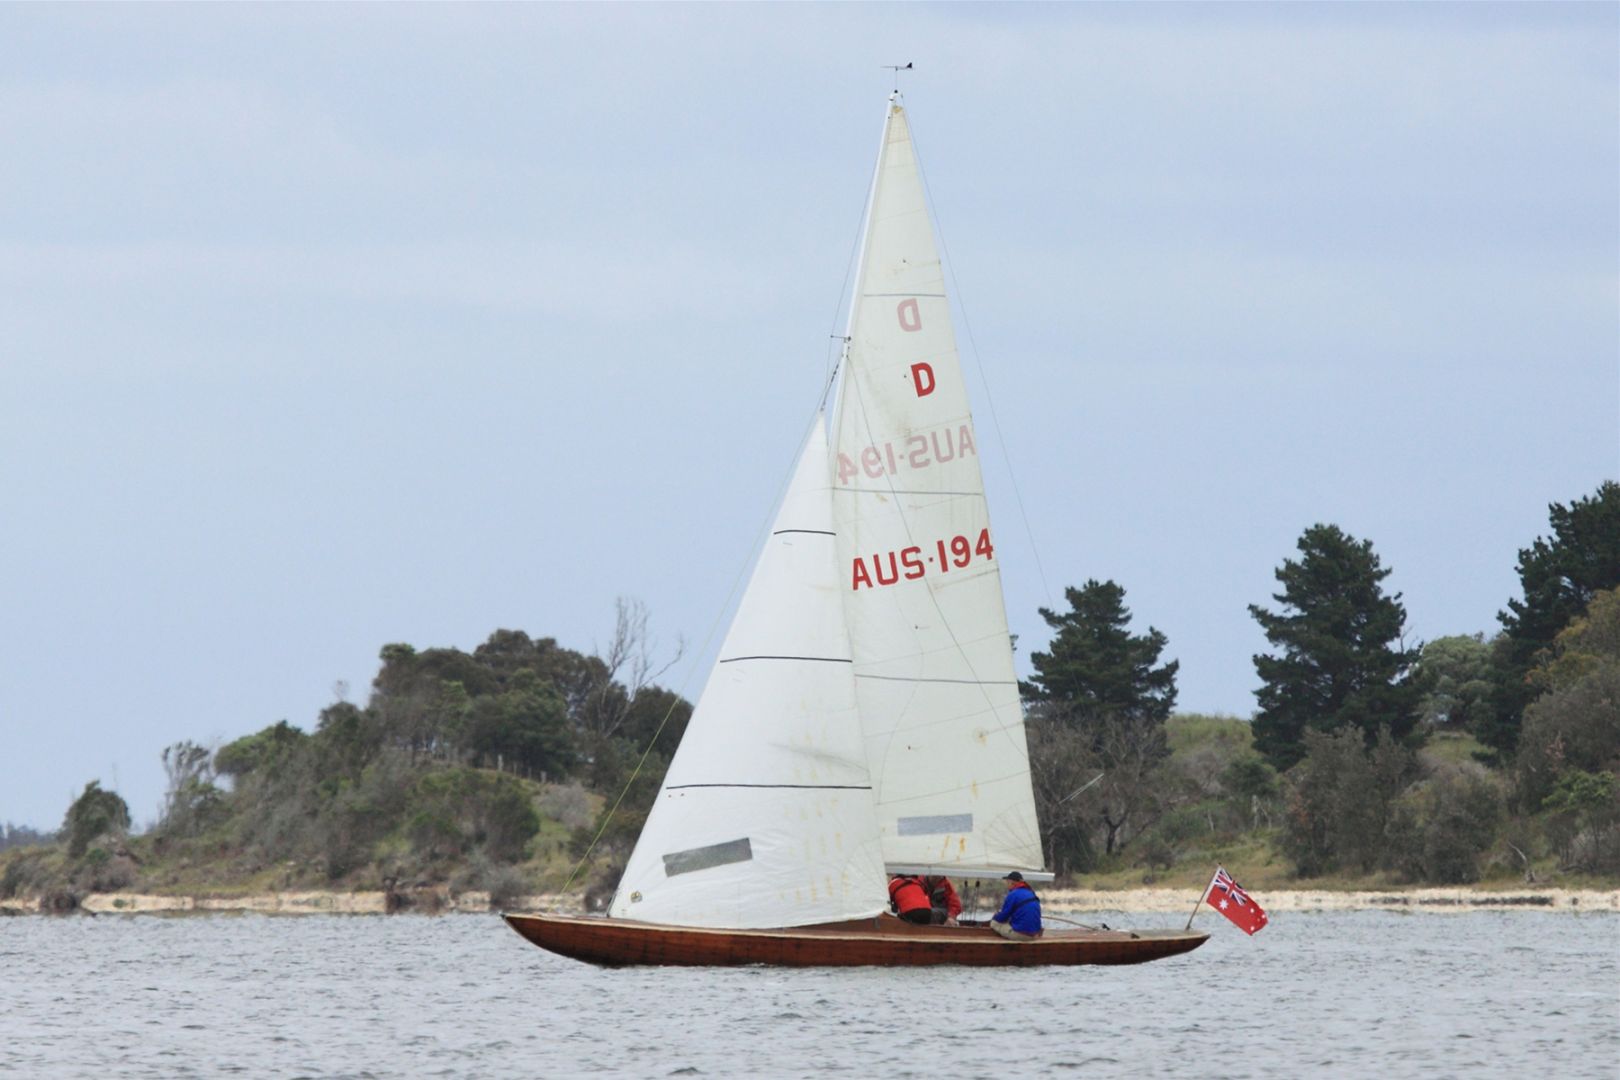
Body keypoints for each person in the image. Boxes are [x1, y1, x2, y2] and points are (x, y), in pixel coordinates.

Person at [990, 871, 1042, 941]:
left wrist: (995, 917)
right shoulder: (1031, 893)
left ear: (1012, 883)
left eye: (1007, 882)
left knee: (994, 923)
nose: (1007, 885)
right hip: (1036, 934)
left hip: (1022, 935)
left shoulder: (1013, 894)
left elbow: (1003, 916)